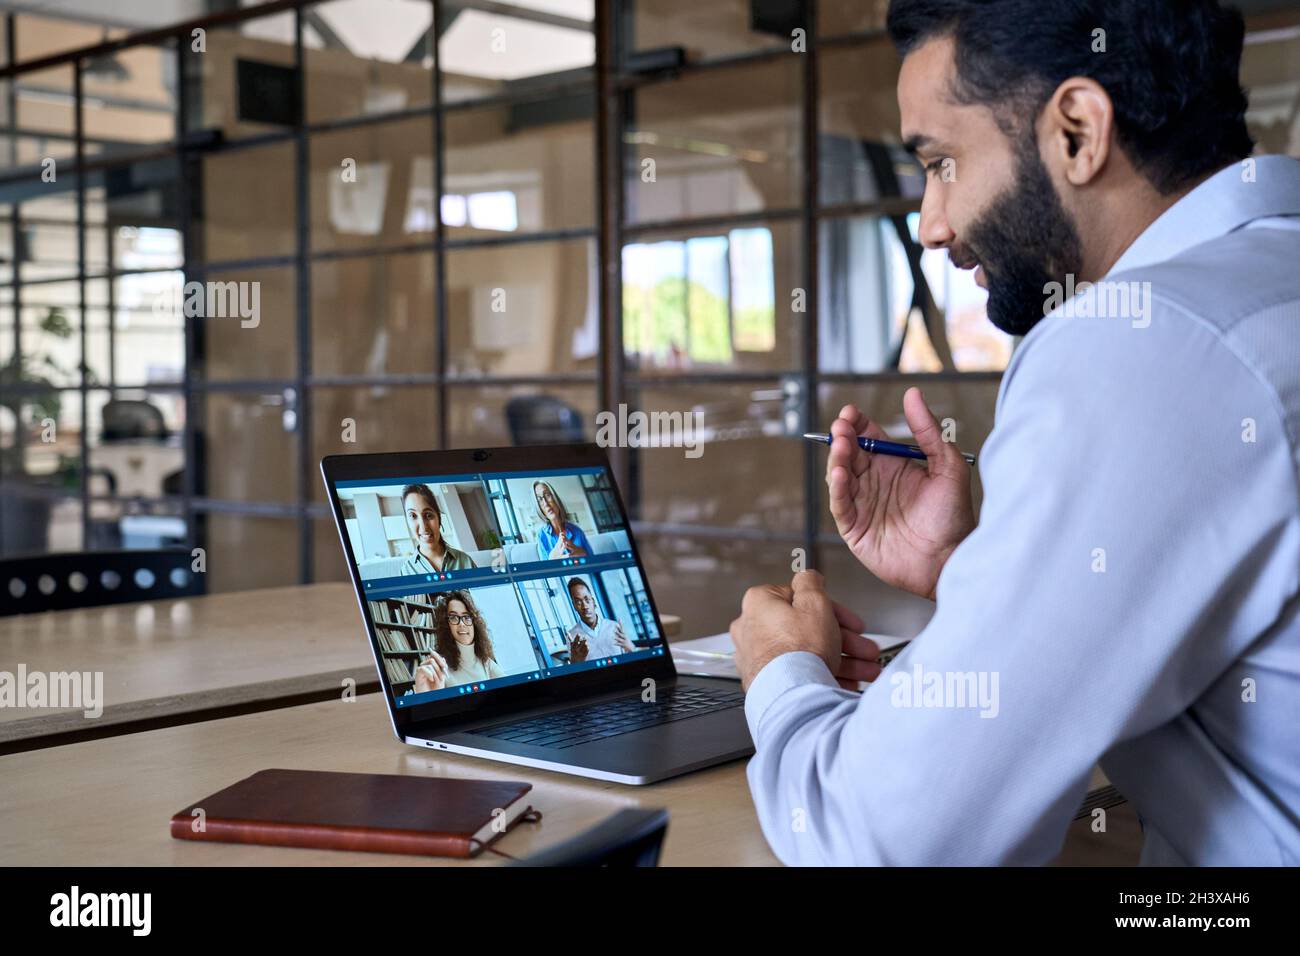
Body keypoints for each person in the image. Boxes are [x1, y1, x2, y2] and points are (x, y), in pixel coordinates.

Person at [730, 0, 1300, 865]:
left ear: (1077, 130)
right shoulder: (1268, 277)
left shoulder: (1138, 343)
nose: (931, 224)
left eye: (942, 162)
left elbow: (891, 841)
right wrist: (975, 572)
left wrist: (782, 674)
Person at [409, 590, 504, 694]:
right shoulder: (438, 667)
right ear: (447, 625)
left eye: (467, 617)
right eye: (453, 617)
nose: (462, 624)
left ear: (474, 622)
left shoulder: (486, 662)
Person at [398, 483, 476, 575]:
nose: (423, 527)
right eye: (413, 516)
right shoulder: (406, 571)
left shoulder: (465, 561)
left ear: (439, 518)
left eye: (428, 515)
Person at [563, 578, 633, 662]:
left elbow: (630, 659)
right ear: (574, 606)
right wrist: (575, 664)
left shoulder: (614, 627)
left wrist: (631, 649)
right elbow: (576, 670)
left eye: (587, 599)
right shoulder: (572, 637)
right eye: (578, 602)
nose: (584, 606)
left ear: (593, 601)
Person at [532, 480, 592, 561]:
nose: (545, 503)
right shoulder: (541, 536)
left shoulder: (577, 531)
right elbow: (546, 571)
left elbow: (594, 563)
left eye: (547, 495)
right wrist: (553, 558)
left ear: (555, 497)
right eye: (539, 499)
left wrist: (582, 553)